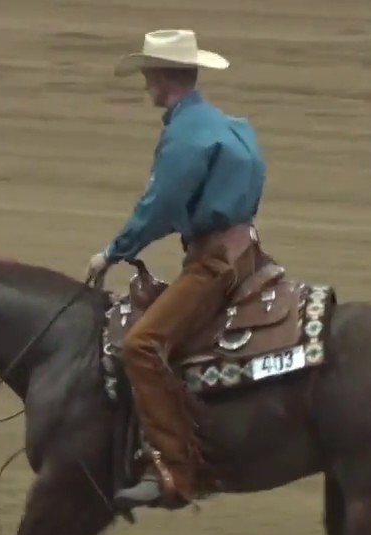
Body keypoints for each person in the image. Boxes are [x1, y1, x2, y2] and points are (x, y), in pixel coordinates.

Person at [86, 29, 267, 506]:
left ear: (163, 76)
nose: (146, 82)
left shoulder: (186, 136)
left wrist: (114, 251)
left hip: (213, 263)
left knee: (142, 346)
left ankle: (176, 471)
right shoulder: (232, 126)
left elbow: (159, 206)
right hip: (247, 250)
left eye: (149, 73)